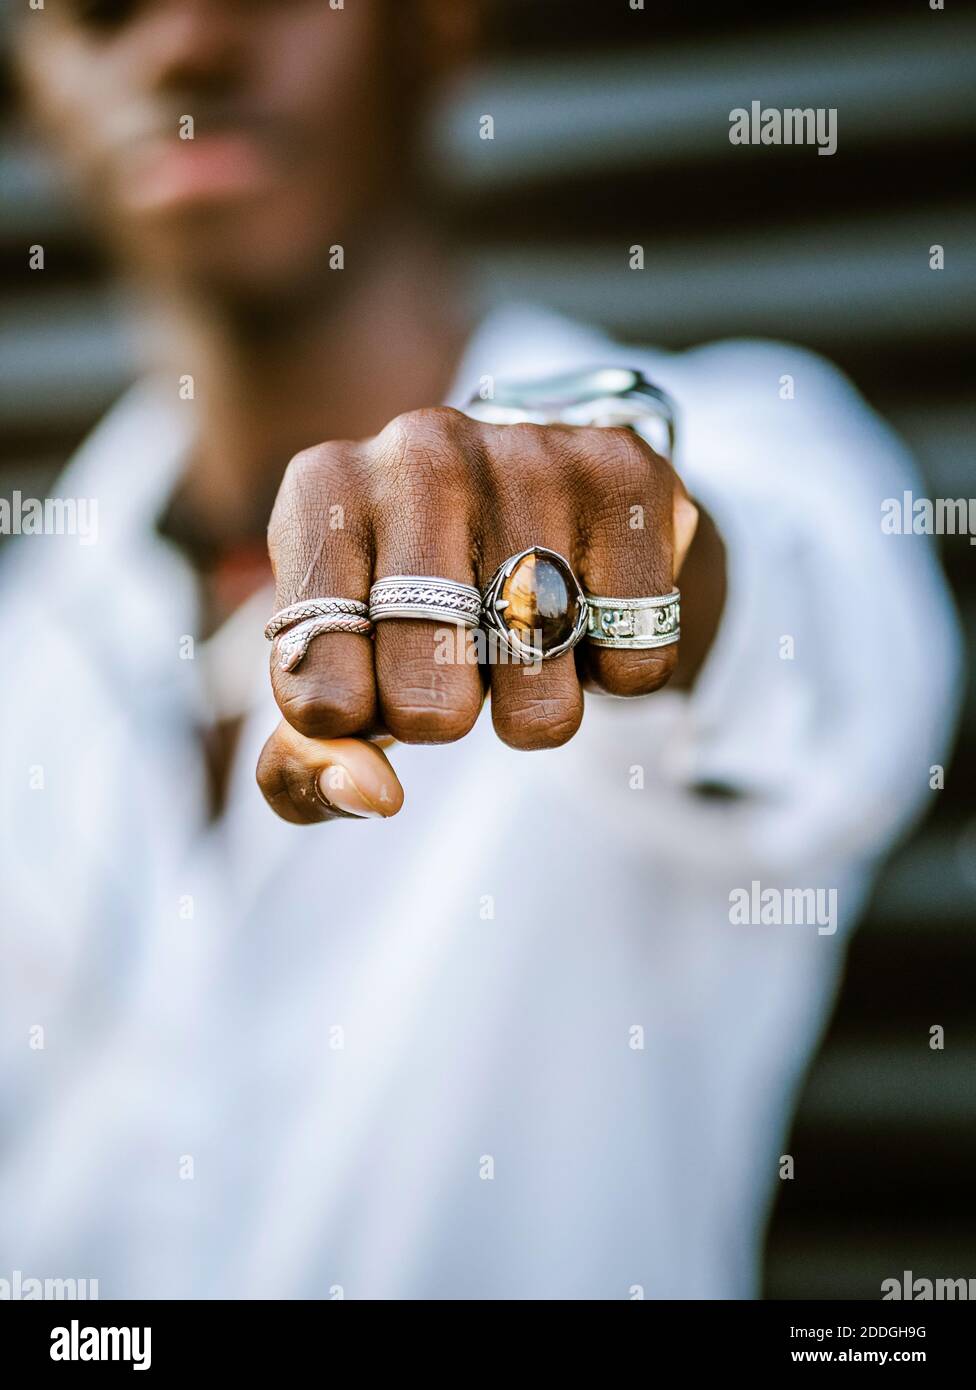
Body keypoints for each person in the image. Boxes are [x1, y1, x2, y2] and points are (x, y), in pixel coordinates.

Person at [0, 0, 960, 1298]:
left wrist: (634, 544)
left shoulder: (750, 449)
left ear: (437, 27)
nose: (183, 45)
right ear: (37, 80)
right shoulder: (32, 630)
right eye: (101, 4)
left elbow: (830, 667)